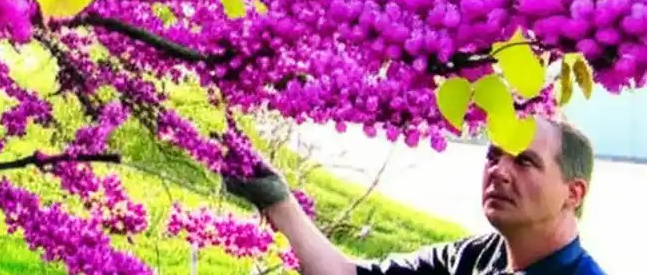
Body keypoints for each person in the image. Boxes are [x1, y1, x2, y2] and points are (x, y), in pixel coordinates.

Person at [223, 116, 606, 274]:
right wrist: (276, 198)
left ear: (573, 193)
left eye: (524, 162)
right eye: (493, 156)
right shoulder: (474, 258)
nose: (499, 172)